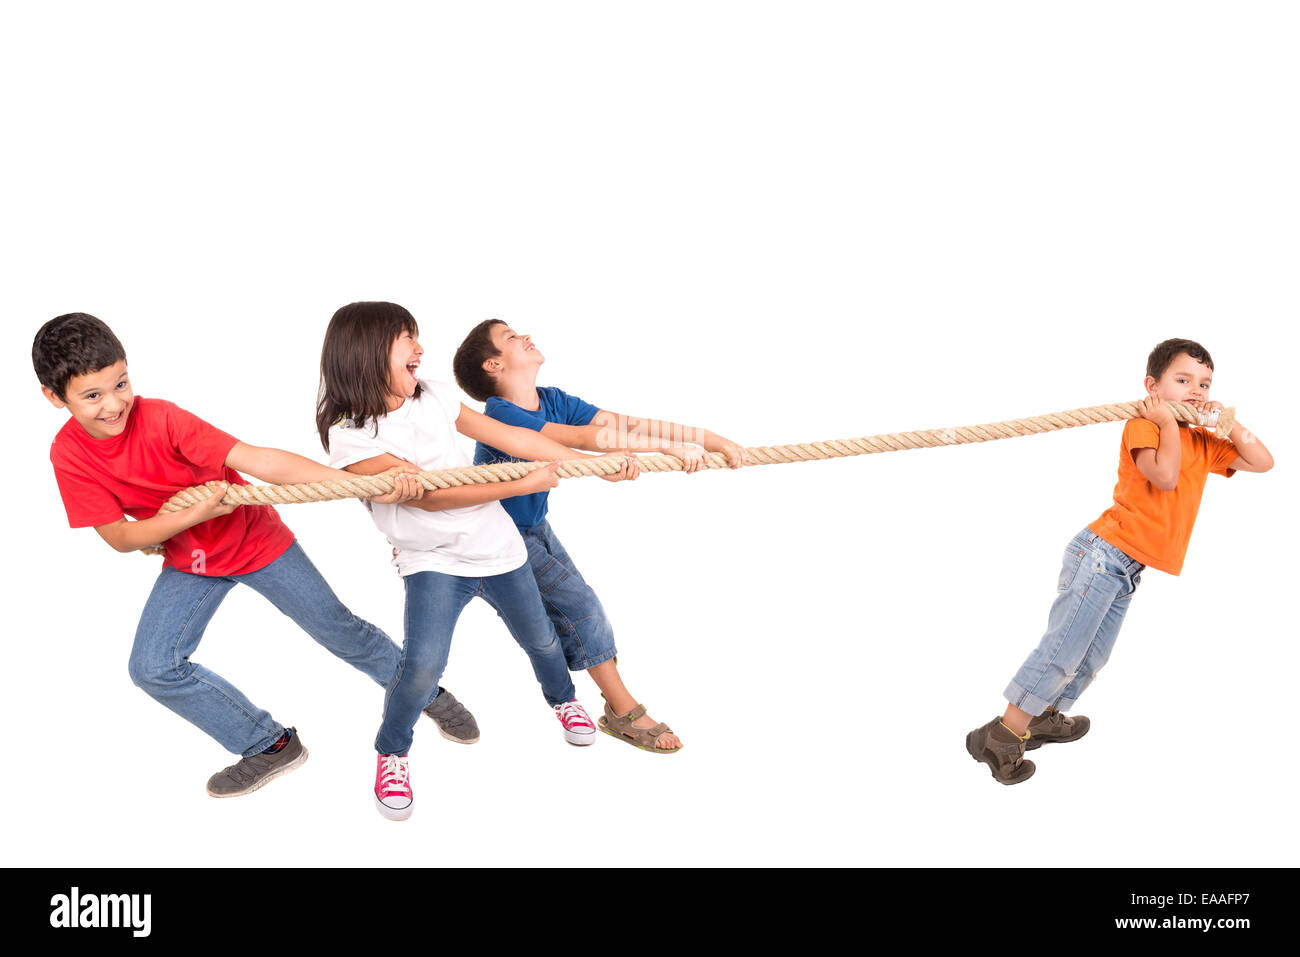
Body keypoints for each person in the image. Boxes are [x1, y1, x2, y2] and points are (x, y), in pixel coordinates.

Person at [34, 312, 479, 800]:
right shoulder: (68, 455)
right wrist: (188, 517)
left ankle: (425, 693)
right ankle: (269, 745)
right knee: (153, 667)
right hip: (191, 560)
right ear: (55, 397)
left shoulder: (161, 417)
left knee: (340, 630)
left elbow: (261, 461)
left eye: (121, 383)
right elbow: (120, 537)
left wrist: (363, 487)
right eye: (92, 395)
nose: (115, 403)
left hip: (255, 541)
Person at [318, 302, 623, 820]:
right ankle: (392, 752)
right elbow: (431, 498)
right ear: (367, 353)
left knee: (543, 639)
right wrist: (525, 481)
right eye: (407, 339)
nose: (420, 349)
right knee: (422, 666)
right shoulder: (350, 433)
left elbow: (513, 438)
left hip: (498, 546)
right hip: (433, 561)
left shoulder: (434, 394)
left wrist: (593, 466)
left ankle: (563, 698)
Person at [965, 338, 1274, 784]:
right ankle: (1001, 737)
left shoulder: (1203, 442)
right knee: (1062, 653)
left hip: (1126, 569)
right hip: (1102, 556)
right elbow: (1164, 476)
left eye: (1205, 384)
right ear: (1153, 385)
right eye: (1183, 380)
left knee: (1091, 658)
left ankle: (1042, 715)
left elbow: (1263, 462)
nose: (1196, 390)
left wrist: (1229, 424)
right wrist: (1167, 423)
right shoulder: (1144, 425)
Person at [453, 319, 746, 753]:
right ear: (494, 364)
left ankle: (597, 700)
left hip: (531, 525)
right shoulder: (501, 415)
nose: (526, 335)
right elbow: (581, 438)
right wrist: (653, 451)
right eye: (512, 337)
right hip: (494, 533)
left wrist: (708, 438)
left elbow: (623, 422)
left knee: (567, 612)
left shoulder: (551, 399)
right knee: (581, 606)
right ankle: (622, 710)